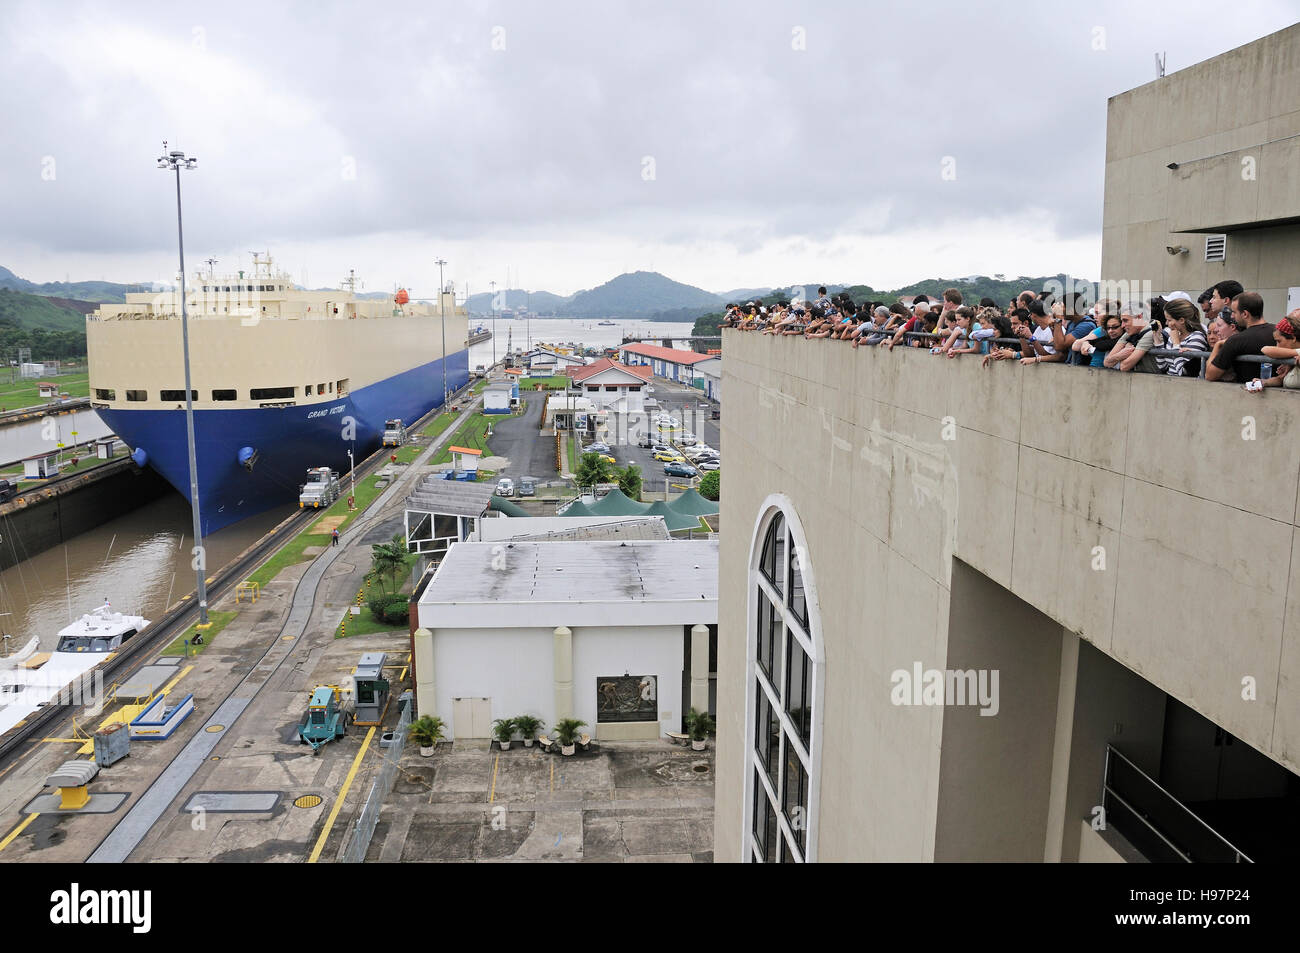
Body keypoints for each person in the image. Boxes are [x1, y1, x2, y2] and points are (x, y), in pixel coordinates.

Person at [1207, 291, 1273, 383]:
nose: (1232, 316)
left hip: (1246, 392)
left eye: (1234, 312)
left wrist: (1218, 345)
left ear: (1245, 314)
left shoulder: (1236, 340)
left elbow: (1210, 375)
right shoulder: (1278, 332)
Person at [1244, 312, 1300, 391]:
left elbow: (1266, 350)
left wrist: (1294, 354)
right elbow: (1280, 379)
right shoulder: (1294, 358)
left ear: (1293, 338)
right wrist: (1263, 382)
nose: (1277, 346)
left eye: (1279, 341)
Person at [1155, 298, 1208, 377]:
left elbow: (1183, 372)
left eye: (1169, 320)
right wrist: (1157, 340)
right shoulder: (1173, 336)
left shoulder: (1197, 337)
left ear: (1181, 320)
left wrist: (1176, 344)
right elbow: (1163, 367)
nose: (1166, 323)